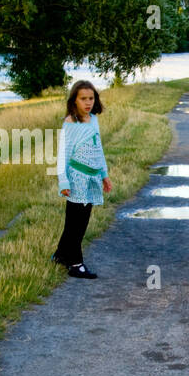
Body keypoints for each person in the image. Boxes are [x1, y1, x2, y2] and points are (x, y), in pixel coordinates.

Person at [52, 80, 112, 278]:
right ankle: (76, 264)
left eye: (91, 98)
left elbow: (98, 149)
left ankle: (61, 255)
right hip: (77, 177)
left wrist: (104, 175)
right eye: (83, 99)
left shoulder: (93, 119)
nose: (88, 103)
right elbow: (63, 155)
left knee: (81, 221)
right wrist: (63, 181)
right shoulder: (71, 123)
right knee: (75, 224)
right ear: (74, 101)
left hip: (92, 177)